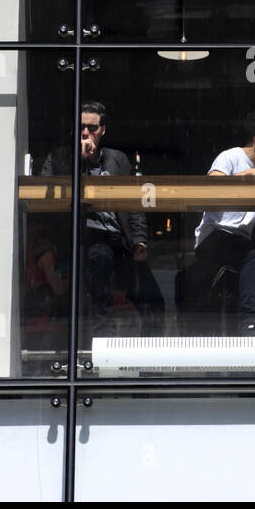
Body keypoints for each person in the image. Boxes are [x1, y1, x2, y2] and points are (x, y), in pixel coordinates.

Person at [39, 101, 150, 342]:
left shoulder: (118, 159)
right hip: (81, 235)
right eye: (81, 127)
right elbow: (44, 193)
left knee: (152, 296)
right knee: (100, 255)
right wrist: (80, 162)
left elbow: (134, 202)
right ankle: (103, 333)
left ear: (102, 130)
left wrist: (140, 239)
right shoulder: (59, 156)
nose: (85, 132)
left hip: (119, 238)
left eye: (92, 127)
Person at [194, 108, 255, 337]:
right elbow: (211, 185)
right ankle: (249, 325)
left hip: (239, 242)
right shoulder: (231, 156)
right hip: (214, 235)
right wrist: (244, 177)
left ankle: (253, 324)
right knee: (254, 254)